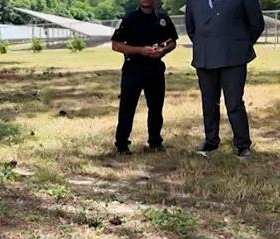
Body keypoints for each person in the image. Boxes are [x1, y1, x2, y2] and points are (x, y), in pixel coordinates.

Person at [185, 0, 265, 157]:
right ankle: (211, 141)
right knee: (209, 102)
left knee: (234, 103)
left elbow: (256, 24)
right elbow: (191, 28)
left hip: (234, 57)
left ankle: (242, 144)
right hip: (205, 57)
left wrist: (239, 44)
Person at [110, 0, 179, 154]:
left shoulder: (163, 19)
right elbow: (116, 45)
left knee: (156, 107)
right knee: (127, 107)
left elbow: (173, 42)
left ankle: (155, 141)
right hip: (133, 69)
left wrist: (163, 50)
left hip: (155, 69)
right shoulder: (129, 19)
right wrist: (140, 50)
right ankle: (122, 144)